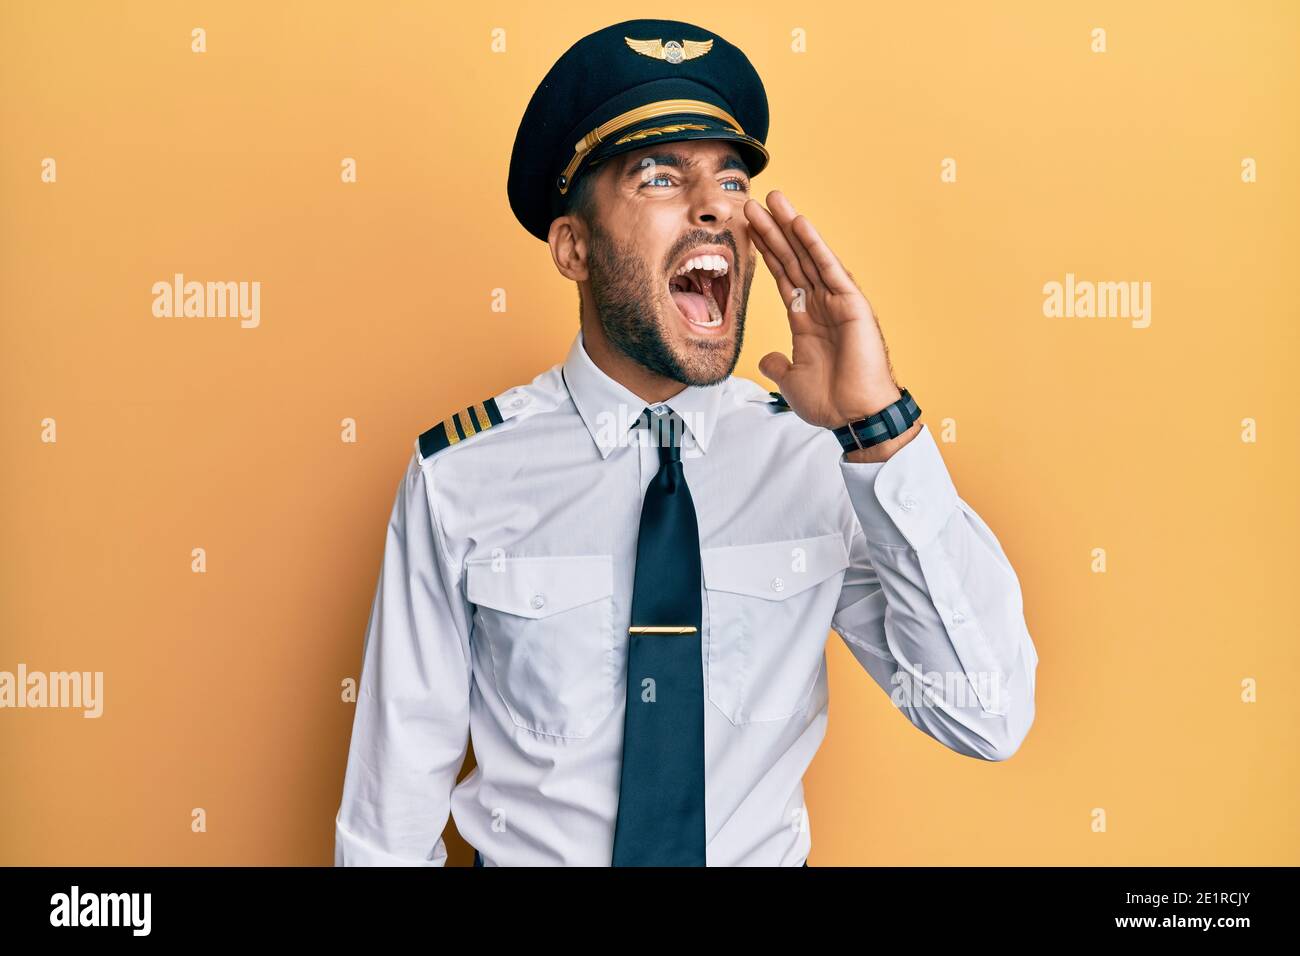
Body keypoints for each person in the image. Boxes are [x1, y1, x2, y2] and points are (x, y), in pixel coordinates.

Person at [333, 17, 1038, 867]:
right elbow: (389, 821)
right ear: (573, 247)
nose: (713, 205)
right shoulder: (462, 476)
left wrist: (880, 429)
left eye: (730, 180)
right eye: (660, 177)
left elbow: (987, 716)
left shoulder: (821, 460)